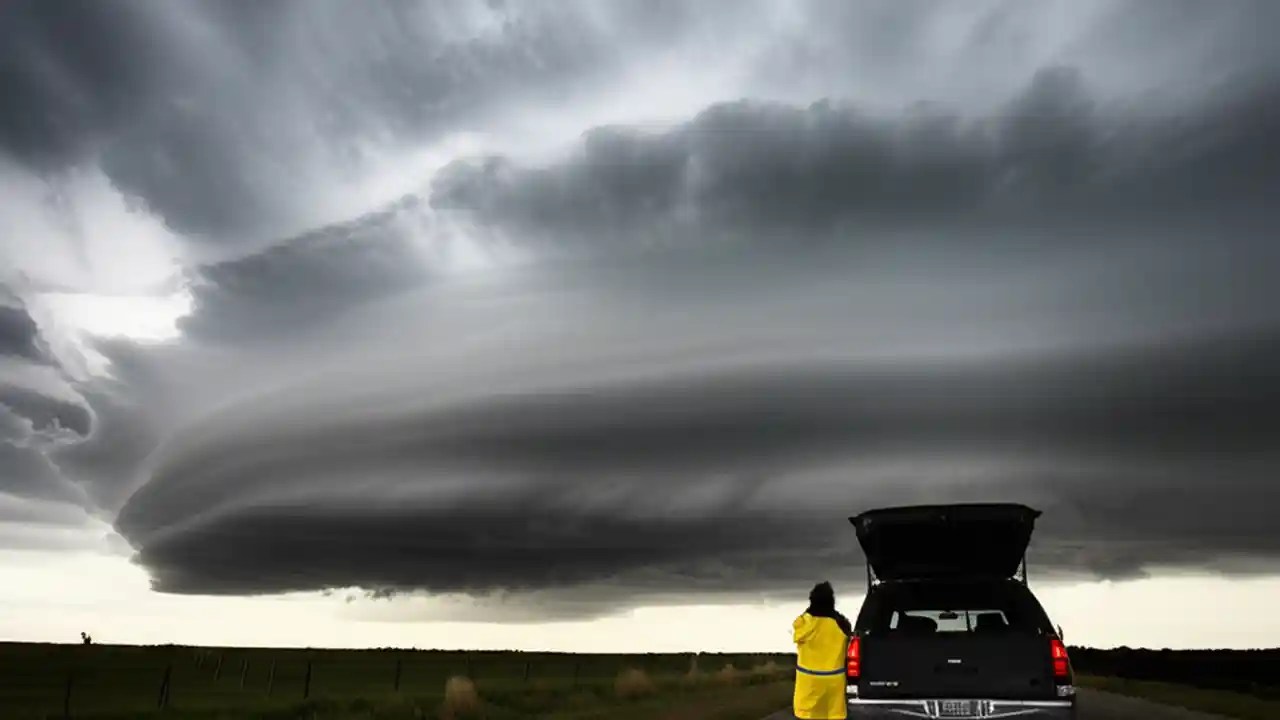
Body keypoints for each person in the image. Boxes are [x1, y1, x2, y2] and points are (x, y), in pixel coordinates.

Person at [792, 581, 852, 719]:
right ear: (832, 601)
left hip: (809, 682)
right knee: (834, 715)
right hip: (834, 682)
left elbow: (796, 630)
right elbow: (849, 639)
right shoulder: (841, 623)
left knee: (807, 715)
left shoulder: (804, 623)